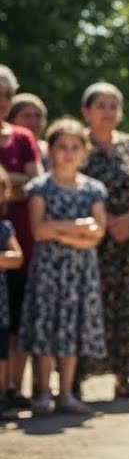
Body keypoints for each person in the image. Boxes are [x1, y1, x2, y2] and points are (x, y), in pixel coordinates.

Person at [20, 118, 107, 416]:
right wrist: (75, 229)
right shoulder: (40, 186)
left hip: (79, 271)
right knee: (45, 328)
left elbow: (97, 232)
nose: (68, 153)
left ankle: (66, 393)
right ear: (51, 150)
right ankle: (42, 393)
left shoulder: (93, 189)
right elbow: (38, 230)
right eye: (62, 147)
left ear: (84, 152)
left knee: (71, 329)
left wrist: (59, 233)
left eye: (74, 147)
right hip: (47, 270)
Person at [77, 83, 129, 399]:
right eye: (101, 106)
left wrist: (127, 220)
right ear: (87, 111)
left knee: (127, 306)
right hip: (91, 240)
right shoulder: (77, 143)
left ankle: (123, 378)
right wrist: (107, 222)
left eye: (113, 106)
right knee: (89, 304)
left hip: (126, 238)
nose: (108, 112)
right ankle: (75, 379)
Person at [0, 66, 42, 410]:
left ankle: (13, 387)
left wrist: (10, 184)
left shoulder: (23, 138)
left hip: (22, 241)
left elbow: (34, 186)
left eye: (6, 94)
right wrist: (16, 181)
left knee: (17, 319)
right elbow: (21, 183)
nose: (1, 100)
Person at [0, 169, 23, 419]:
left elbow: (16, 258)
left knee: (2, 350)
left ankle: (4, 392)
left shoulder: (5, 227)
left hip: (1, 304)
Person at [8, 93, 48, 166]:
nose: (33, 121)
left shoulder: (51, 150)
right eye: (26, 116)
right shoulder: (5, 148)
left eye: (38, 116)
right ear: (11, 119)